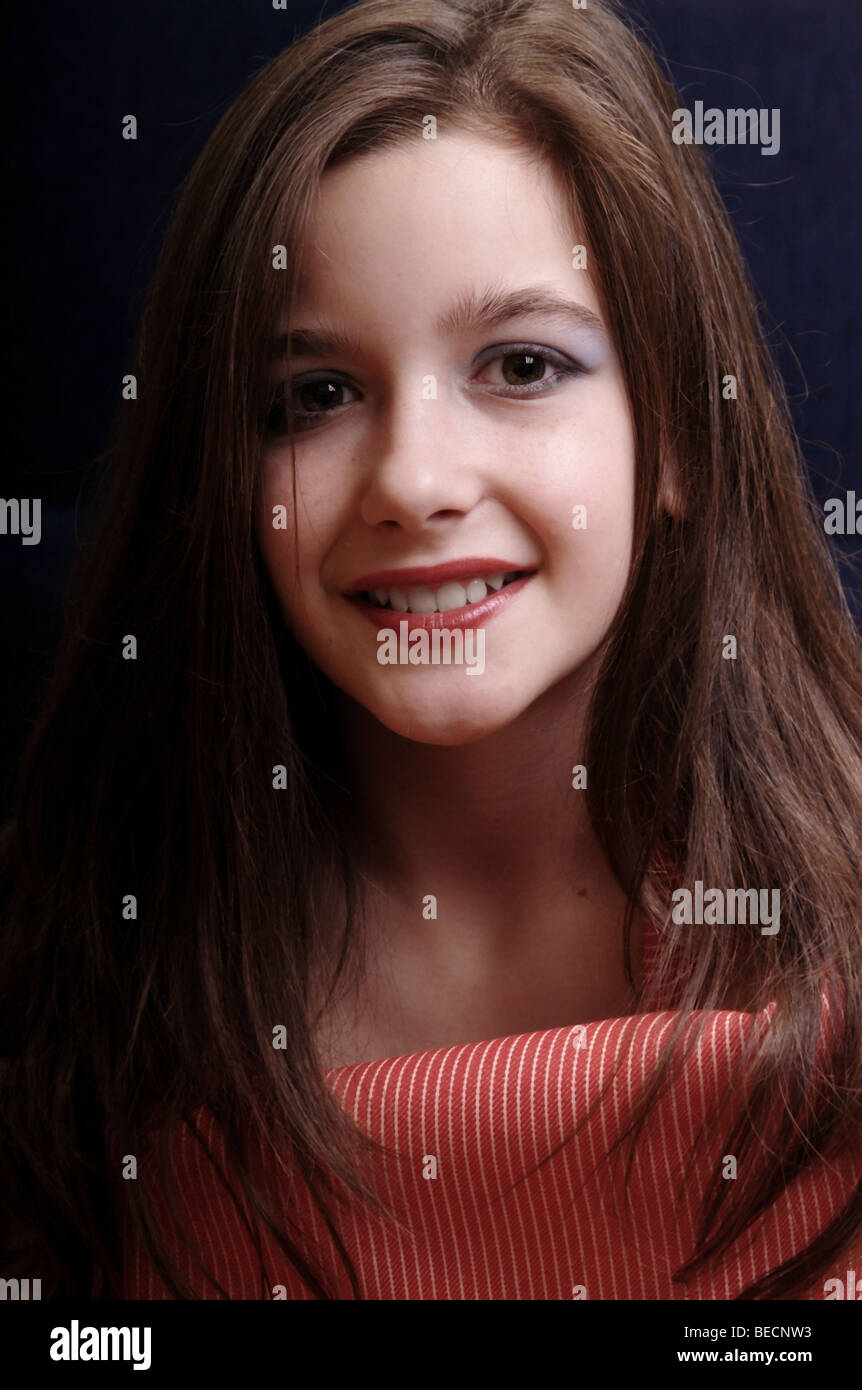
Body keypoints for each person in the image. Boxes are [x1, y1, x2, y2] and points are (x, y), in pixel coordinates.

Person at [1, 0, 861, 1302]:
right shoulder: (88, 982)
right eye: (314, 395)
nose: (411, 478)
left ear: (681, 429)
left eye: (520, 363)